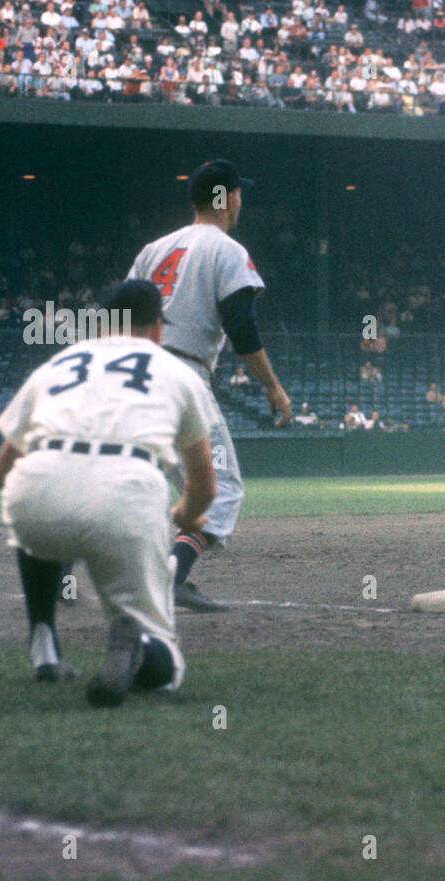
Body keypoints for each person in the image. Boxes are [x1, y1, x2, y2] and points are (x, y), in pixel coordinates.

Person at [0, 280, 217, 707]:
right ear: (156, 328)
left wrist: (61, 504)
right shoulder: (176, 372)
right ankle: (139, 647)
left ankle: (43, 643)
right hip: (126, 492)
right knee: (165, 663)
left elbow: (2, 473)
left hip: (35, 488)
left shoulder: (59, 364)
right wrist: (187, 514)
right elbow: (204, 485)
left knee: (40, 517)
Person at [128, 159, 291, 612]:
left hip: (137, 370)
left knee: (137, 476)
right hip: (182, 376)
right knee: (221, 486)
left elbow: (121, 315)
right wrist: (272, 387)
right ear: (226, 197)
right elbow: (241, 325)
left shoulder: (154, 249)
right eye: (239, 192)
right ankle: (172, 577)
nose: (242, 199)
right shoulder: (225, 249)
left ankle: (67, 549)